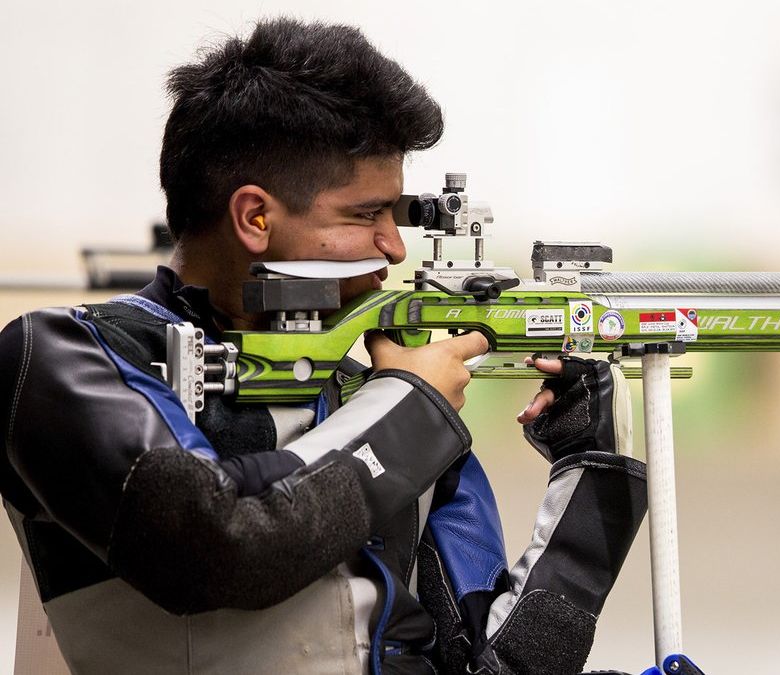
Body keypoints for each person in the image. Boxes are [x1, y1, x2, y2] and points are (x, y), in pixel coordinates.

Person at [0, 18, 647, 675]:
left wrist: (590, 474)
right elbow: (217, 545)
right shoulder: (59, 357)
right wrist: (412, 407)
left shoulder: (385, 396)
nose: (395, 246)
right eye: (367, 214)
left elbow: (493, 667)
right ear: (255, 218)